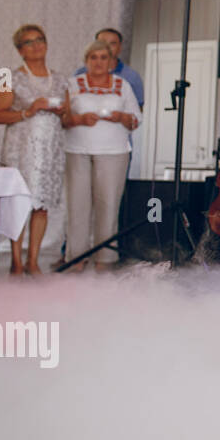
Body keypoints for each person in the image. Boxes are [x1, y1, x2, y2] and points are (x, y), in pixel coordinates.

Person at [0, 24, 68, 275]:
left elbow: (67, 115)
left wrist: (61, 112)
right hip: (20, 147)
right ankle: (16, 259)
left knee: (42, 204)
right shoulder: (7, 76)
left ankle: (33, 259)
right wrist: (28, 110)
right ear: (19, 50)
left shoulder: (60, 78)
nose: (36, 45)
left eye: (40, 39)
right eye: (29, 42)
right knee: (19, 201)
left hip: (50, 149)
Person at [61, 40, 141, 271]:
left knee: (108, 205)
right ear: (86, 61)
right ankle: (76, 258)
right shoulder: (72, 84)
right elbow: (63, 119)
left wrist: (122, 117)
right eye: (93, 57)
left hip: (114, 151)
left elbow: (136, 118)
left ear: (111, 61)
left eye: (103, 58)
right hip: (77, 150)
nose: (98, 62)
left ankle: (104, 259)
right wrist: (80, 119)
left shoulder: (123, 85)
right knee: (77, 205)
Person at [75, 28, 144, 109]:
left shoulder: (132, 76)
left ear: (120, 48)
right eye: (102, 42)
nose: (107, 46)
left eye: (113, 43)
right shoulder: (79, 74)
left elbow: (139, 109)